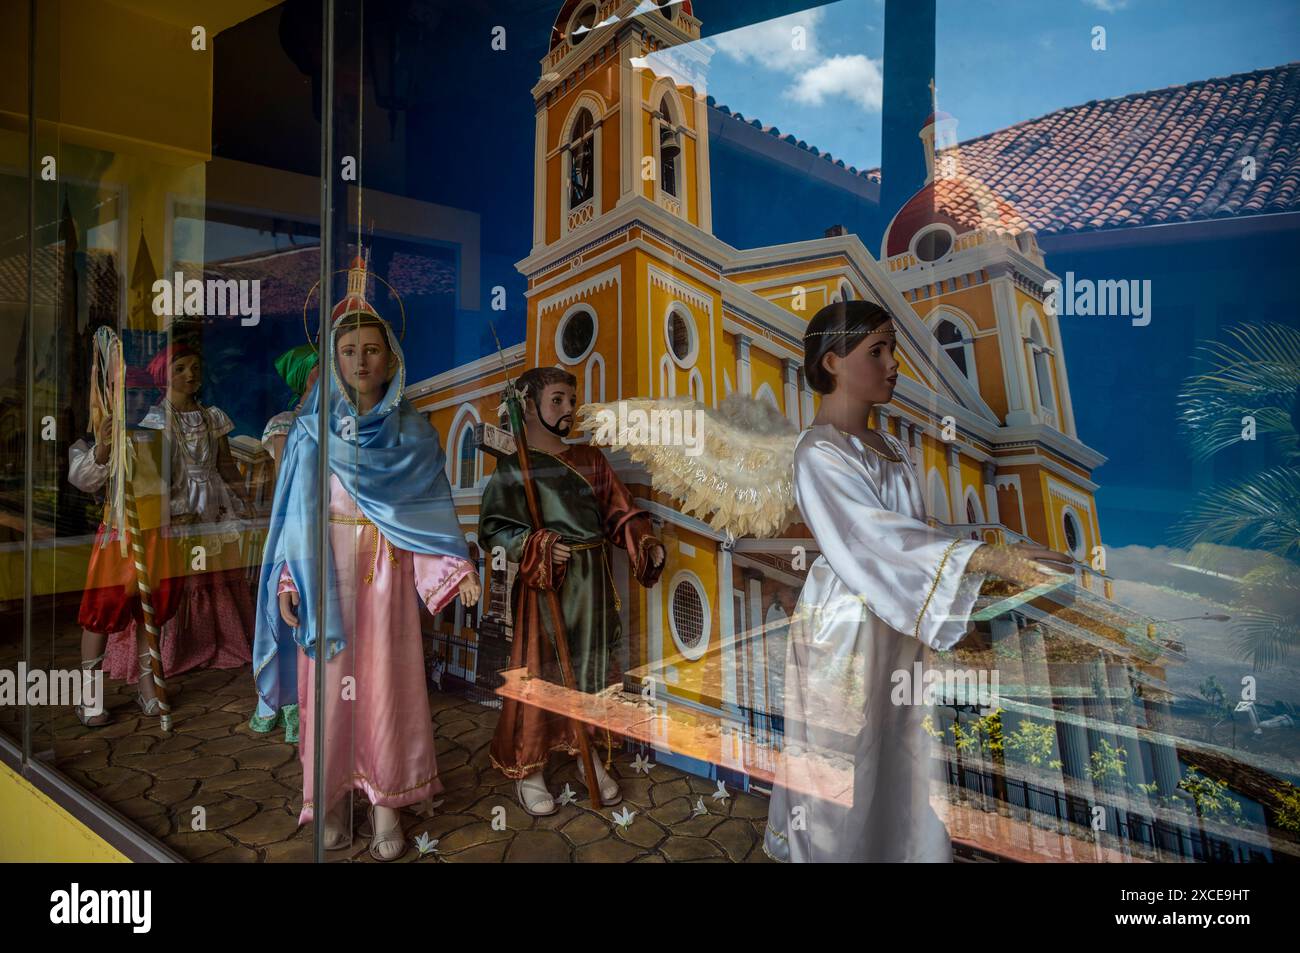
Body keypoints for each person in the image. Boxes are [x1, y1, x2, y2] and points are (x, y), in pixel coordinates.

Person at [763, 300, 1072, 862]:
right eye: (875, 351)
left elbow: (915, 534)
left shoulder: (894, 449)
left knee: (903, 748)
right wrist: (984, 560)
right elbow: (870, 537)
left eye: (892, 350)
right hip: (848, 628)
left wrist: (1001, 548)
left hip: (899, 624)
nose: (892, 364)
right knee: (845, 753)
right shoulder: (817, 451)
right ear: (832, 362)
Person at [252, 258, 481, 861]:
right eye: (348, 349)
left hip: (385, 581)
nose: (360, 360)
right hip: (325, 578)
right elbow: (290, 523)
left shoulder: (415, 435)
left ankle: (386, 801)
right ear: (333, 359)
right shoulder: (310, 434)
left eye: (371, 349)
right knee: (328, 692)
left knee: (388, 690)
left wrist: (454, 569)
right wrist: (285, 581)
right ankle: (327, 799)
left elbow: (430, 515)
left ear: (392, 357)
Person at [483, 366, 665, 816]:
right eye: (557, 400)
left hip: (593, 581)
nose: (568, 409)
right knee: (539, 672)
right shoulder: (513, 468)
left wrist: (644, 541)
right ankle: (530, 766)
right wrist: (536, 545)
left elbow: (619, 512)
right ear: (529, 405)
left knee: (592, 670)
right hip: (544, 586)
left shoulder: (591, 460)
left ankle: (589, 755)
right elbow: (494, 532)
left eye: (571, 400)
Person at [100, 343, 256, 707]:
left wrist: (244, 499)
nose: (190, 375)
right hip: (174, 498)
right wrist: (169, 508)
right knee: (173, 577)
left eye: (195, 367)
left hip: (212, 497)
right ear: (163, 375)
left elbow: (226, 463)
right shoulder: (155, 419)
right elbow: (152, 473)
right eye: (180, 368)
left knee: (213, 573)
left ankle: (219, 638)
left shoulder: (213, 416)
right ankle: (171, 650)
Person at [248, 343, 320, 739]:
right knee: (289, 611)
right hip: (293, 526)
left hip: (332, 529)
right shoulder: (285, 423)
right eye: (318, 370)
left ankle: (313, 697)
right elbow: (286, 485)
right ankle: (287, 699)